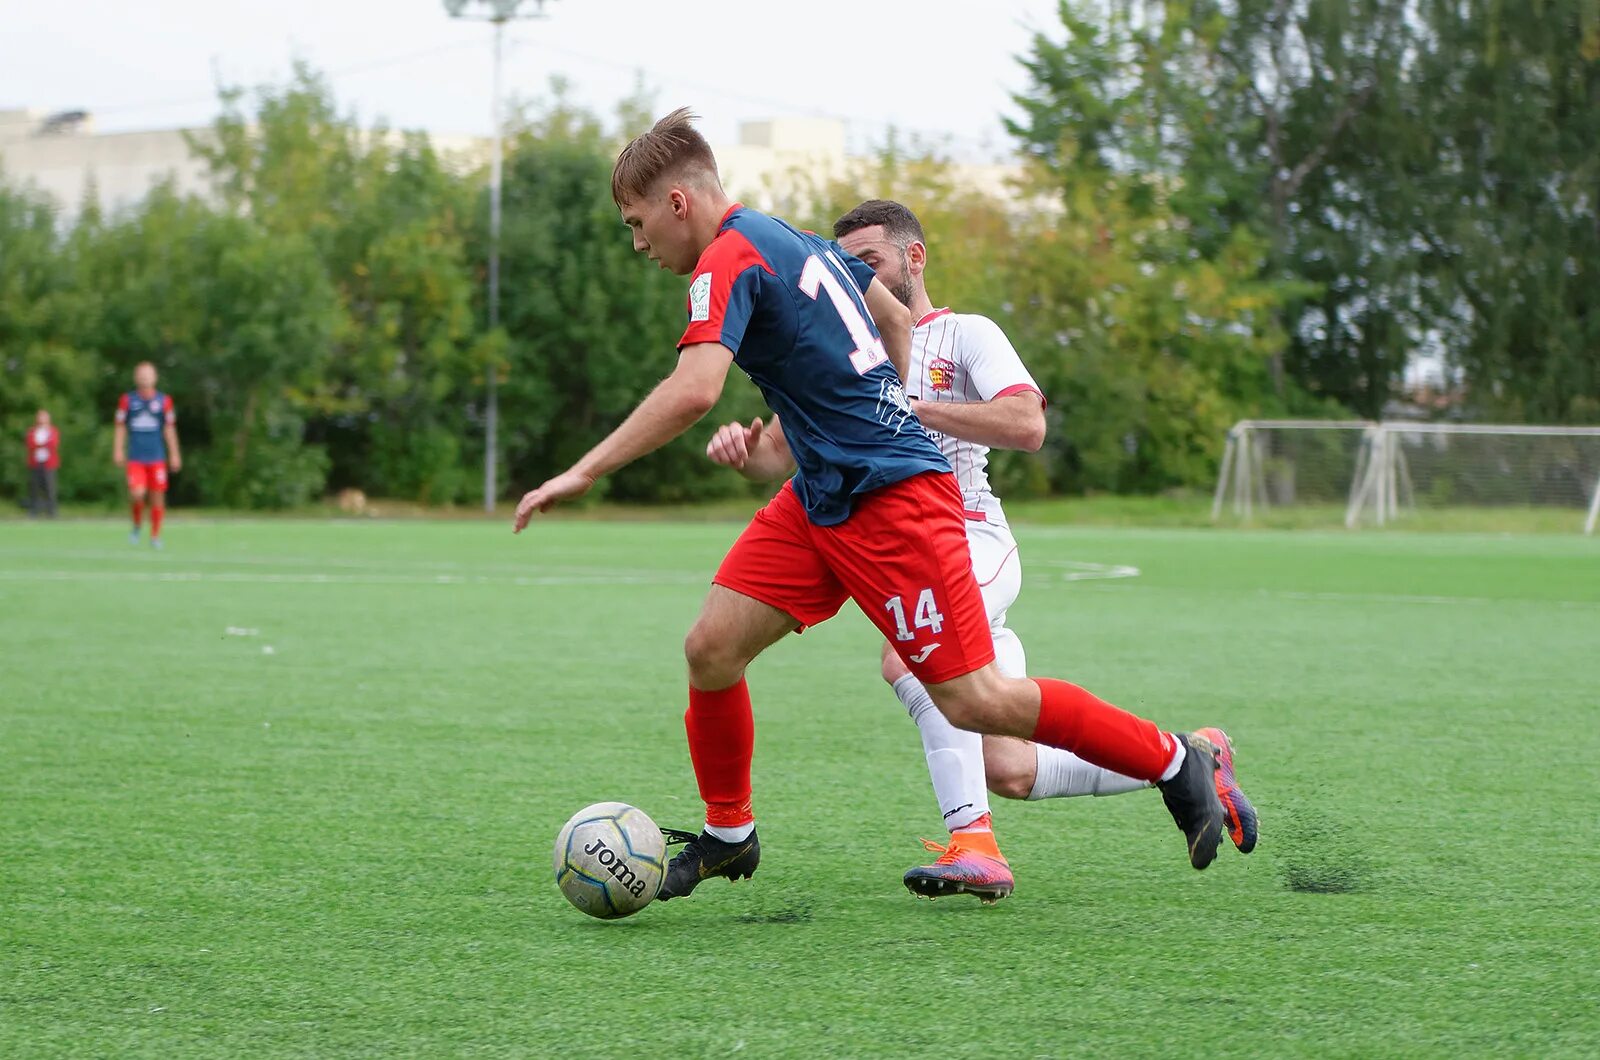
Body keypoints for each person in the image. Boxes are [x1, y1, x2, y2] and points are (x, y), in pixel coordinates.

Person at [514, 109, 1239, 902]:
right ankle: (731, 835)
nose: (638, 243)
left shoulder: (725, 261)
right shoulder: (787, 237)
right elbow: (894, 316)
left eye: (637, 221)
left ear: (677, 202)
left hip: (893, 501)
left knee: (975, 698)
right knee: (712, 650)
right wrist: (870, 401)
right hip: (821, 495)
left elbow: (694, 393)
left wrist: (581, 473)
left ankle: (1177, 760)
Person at [829, 200, 1257, 899]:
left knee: (907, 649)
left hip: (970, 534)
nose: (857, 276)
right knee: (1010, 767)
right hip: (906, 551)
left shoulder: (965, 333)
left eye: (868, 261)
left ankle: (975, 846)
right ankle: (1195, 755)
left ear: (915, 258)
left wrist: (919, 410)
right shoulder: (856, 359)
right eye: (846, 267)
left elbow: (1026, 422)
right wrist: (755, 449)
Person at [113, 362, 181, 549]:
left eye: (148, 374)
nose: (145, 378)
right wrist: (118, 449)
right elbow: (120, 427)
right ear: (136, 378)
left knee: (157, 496)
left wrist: (174, 453)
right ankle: (136, 525)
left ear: (155, 377)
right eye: (141, 374)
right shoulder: (127, 401)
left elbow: (169, 428)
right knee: (137, 494)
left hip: (156, 456)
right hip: (136, 457)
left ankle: (155, 535)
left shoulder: (164, 401)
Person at [26, 409, 60, 518]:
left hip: (49, 463)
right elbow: (30, 444)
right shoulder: (33, 431)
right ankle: (34, 511)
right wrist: (42, 445)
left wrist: (40, 444)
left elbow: (53, 444)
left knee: (50, 487)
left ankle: (51, 511)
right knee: (34, 487)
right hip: (36, 463)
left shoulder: (52, 431)